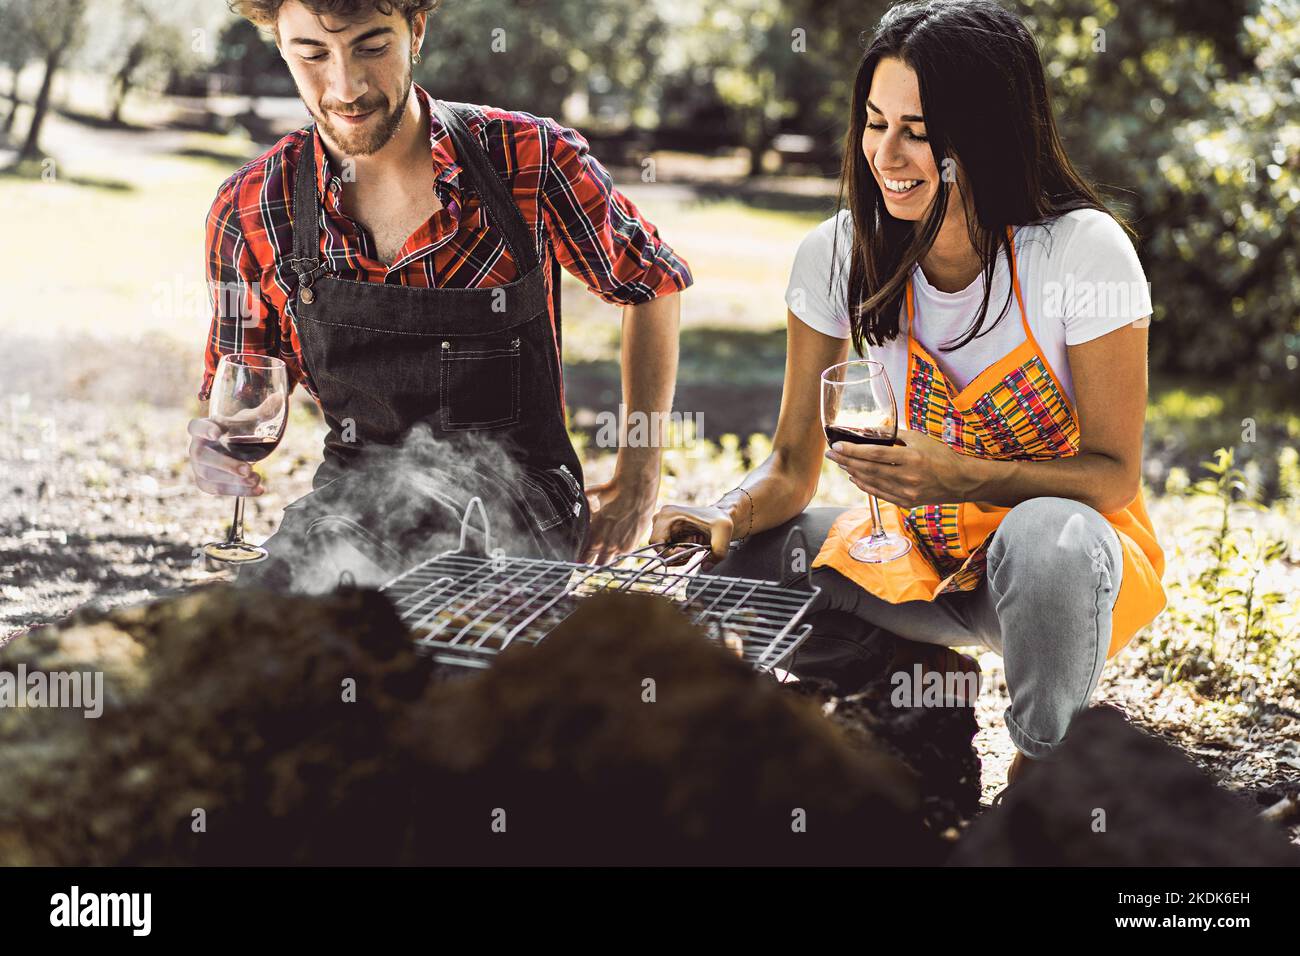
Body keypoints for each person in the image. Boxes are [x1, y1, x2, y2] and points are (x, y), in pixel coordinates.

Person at [651, 0, 1165, 785]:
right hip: (924, 556)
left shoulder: (1081, 253)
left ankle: (1038, 770)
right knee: (741, 571)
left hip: (1061, 576)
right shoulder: (834, 255)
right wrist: (728, 511)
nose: (884, 153)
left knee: (1045, 538)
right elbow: (792, 462)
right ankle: (912, 680)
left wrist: (961, 474)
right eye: (873, 121)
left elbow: (1112, 476)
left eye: (917, 131)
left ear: (985, 135)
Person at [187, 0, 691, 589]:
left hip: (522, 505)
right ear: (279, 45)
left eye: (372, 46)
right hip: (348, 508)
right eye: (313, 54)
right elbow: (242, 382)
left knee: (383, 598)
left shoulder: (529, 158)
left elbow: (652, 285)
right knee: (265, 618)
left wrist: (639, 479)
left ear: (416, 30)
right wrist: (216, 447)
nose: (345, 87)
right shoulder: (249, 206)